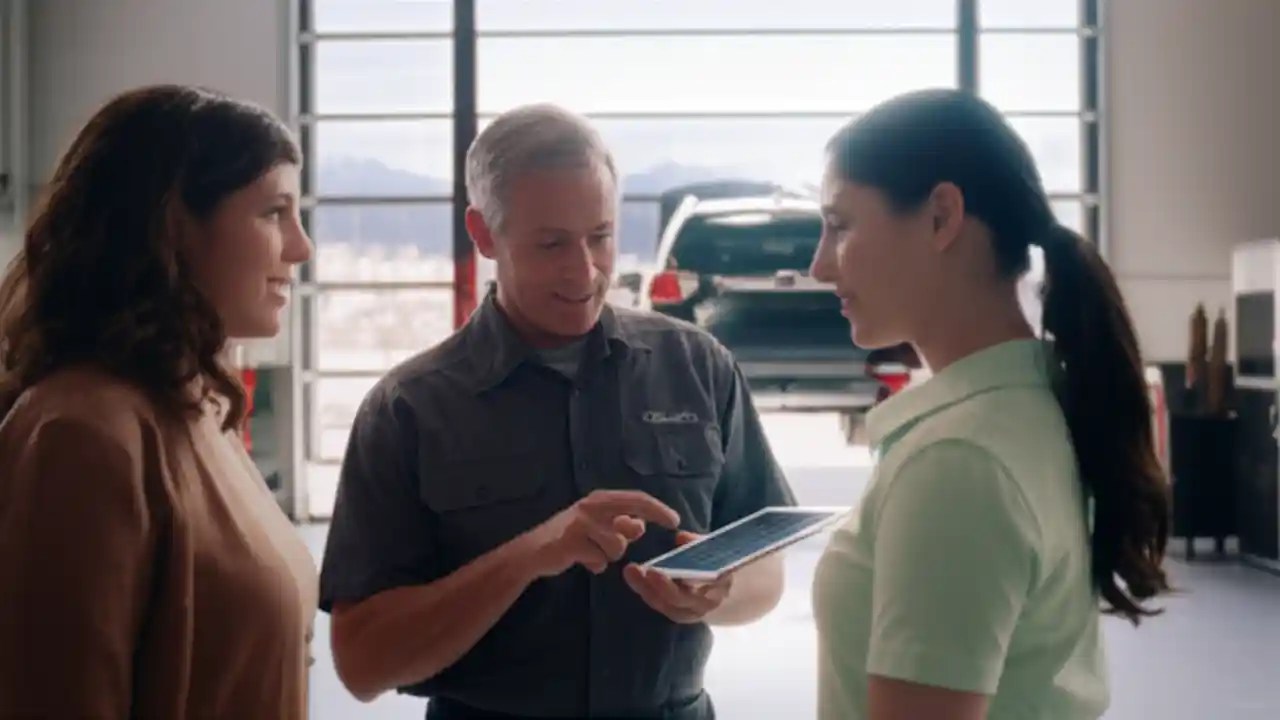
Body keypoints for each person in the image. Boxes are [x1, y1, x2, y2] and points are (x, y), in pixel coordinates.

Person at [319, 103, 796, 719]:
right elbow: (362, 665)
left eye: (601, 236)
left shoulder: (697, 367)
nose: (585, 270)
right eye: (551, 244)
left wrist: (718, 591)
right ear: (484, 233)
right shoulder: (408, 410)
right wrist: (529, 555)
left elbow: (767, 573)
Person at [809, 88, 1171, 720]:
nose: (818, 265)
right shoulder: (1034, 405)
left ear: (942, 217)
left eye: (840, 226)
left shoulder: (958, 462)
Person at [0, 85, 316, 719]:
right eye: (273, 212)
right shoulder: (82, 433)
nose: (301, 247)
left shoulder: (199, 410)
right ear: (172, 226)